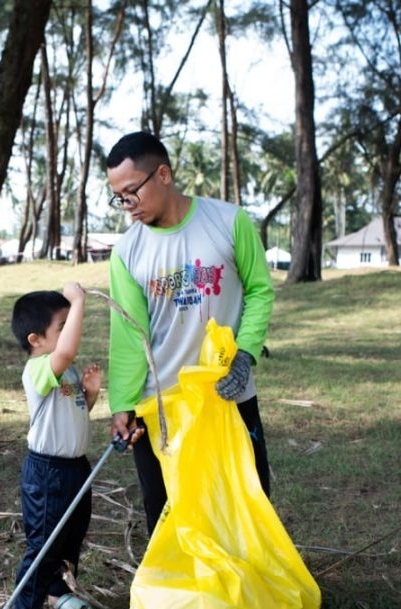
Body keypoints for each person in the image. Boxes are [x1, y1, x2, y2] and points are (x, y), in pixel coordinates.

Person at [105, 131, 275, 537]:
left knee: (245, 501)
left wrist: (245, 353)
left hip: (227, 395)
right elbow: (129, 335)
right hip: (160, 406)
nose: (127, 207)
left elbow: (259, 291)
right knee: (166, 513)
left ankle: (246, 596)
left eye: (132, 192)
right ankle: (178, 599)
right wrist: (123, 405)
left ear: (163, 174)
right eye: (119, 197)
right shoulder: (127, 252)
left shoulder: (229, 222)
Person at [6, 284, 101, 609]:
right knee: (45, 539)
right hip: (47, 470)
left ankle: (57, 591)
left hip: (77, 467)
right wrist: (78, 301)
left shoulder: (68, 371)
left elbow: (75, 414)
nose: (70, 333)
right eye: (62, 326)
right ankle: (26, 608)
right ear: (36, 340)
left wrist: (89, 395)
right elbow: (68, 349)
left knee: (71, 537)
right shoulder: (38, 369)